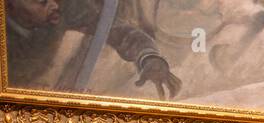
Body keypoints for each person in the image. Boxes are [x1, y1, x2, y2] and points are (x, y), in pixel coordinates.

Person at [5, 0, 182, 97]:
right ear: (9, 6)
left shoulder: (65, 8)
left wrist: (148, 57)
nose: (54, 4)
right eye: (41, 1)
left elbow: (116, 30)